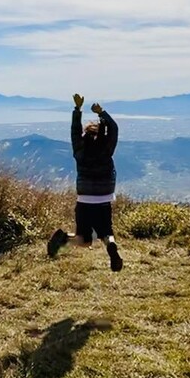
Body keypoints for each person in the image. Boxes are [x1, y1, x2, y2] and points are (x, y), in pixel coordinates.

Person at [48, 93, 123, 271]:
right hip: (104, 198)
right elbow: (114, 129)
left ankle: (63, 238)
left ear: (85, 136)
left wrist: (77, 109)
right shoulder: (106, 150)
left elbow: (74, 131)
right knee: (106, 232)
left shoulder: (80, 151)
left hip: (85, 199)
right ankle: (111, 246)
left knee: (84, 239)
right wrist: (102, 112)